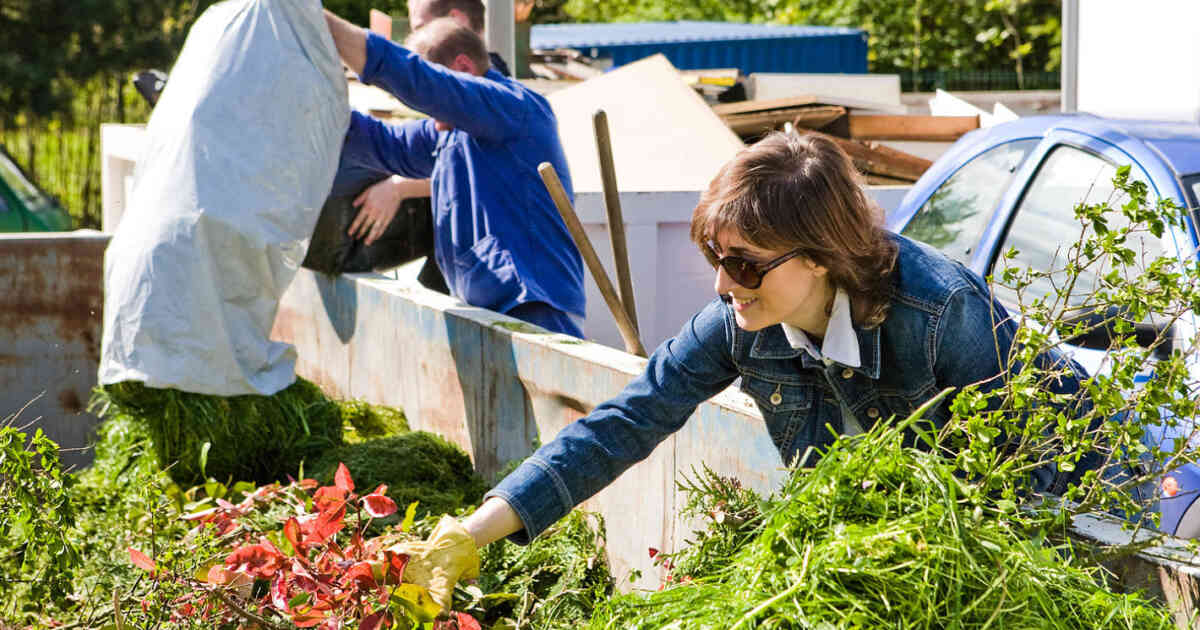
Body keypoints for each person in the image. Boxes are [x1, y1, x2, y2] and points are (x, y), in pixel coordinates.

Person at [388, 131, 1101, 610]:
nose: (723, 286)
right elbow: (624, 423)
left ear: (820, 255)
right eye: (716, 259)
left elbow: (1025, 478)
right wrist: (472, 532)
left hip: (1082, 493)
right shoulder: (742, 325)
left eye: (744, 263)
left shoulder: (941, 311)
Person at [325, 11, 586, 338]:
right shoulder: (446, 134)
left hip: (532, 313)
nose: (430, 117)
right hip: (486, 314)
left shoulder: (515, 108)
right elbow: (379, 143)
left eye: (432, 104)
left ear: (463, 69)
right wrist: (315, 101)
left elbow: (419, 80)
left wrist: (316, 19)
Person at [345, 0, 512, 251]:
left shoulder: (487, 95)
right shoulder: (475, 91)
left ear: (457, 20)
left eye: (421, 28)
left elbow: (465, 160)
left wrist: (399, 187)